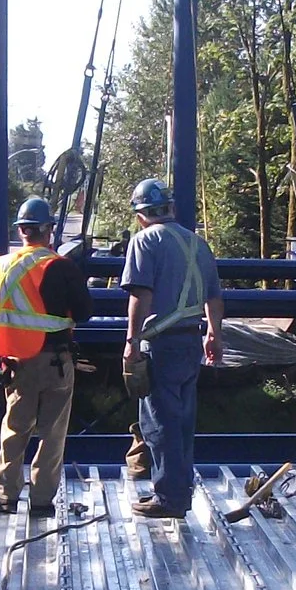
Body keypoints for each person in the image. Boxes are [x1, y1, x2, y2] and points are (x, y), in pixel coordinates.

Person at [119, 177, 222, 519]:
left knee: (159, 423)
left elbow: (141, 295)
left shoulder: (145, 241)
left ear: (140, 215)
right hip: (191, 342)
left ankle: (170, 498)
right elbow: (214, 296)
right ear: (171, 208)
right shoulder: (197, 244)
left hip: (159, 345)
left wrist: (132, 341)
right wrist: (214, 336)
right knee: (182, 422)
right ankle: (179, 491)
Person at [0, 195, 91, 516]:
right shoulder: (61, 267)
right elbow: (84, 312)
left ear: (22, 231)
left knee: (15, 427)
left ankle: (5, 497)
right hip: (55, 361)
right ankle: (41, 502)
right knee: (52, 433)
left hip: (15, 363)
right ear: (47, 230)